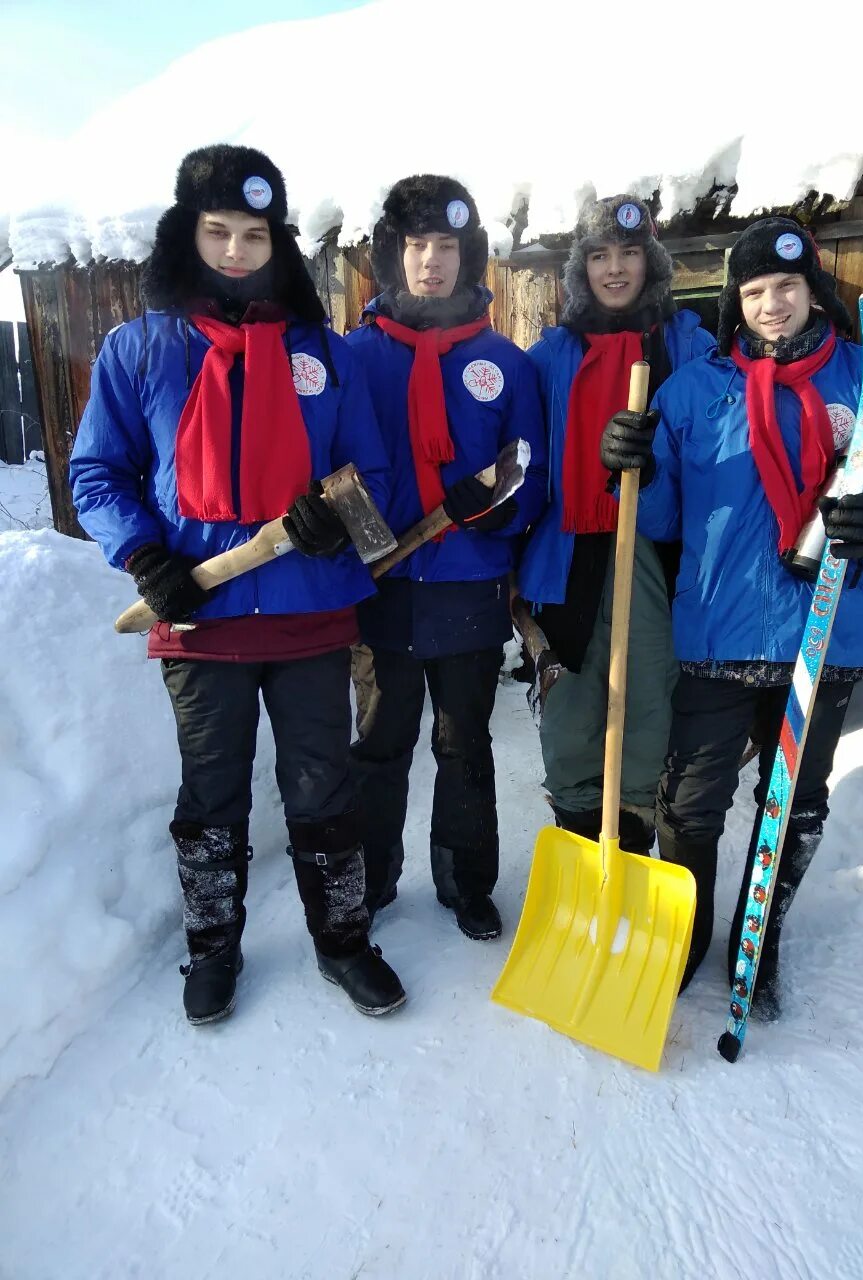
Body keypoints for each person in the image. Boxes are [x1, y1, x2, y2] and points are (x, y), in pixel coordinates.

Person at [70, 144, 405, 1025]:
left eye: (253, 235)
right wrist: (145, 556)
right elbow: (99, 474)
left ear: (277, 244)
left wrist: (337, 515)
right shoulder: (139, 349)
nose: (233, 251)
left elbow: (371, 473)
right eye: (216, 231)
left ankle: (343, 940)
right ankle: (212, 949)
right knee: (210, 795)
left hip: (309, 615)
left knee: (322, 787)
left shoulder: (322, 355)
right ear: (187, 234)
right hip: (201, 616)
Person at [607, 215, 863, 1016]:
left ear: (814, 292)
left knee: (794, 803)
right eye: (756, 290)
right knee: (689, 802)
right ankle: (687, 930)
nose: (772, 305)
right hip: (716, 634)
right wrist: (627, 462)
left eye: (787, 288)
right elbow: (658, 517)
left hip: (824, 632)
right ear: (736, 301)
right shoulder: (695, 389)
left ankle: (757, 941)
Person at [345, 174, 547, 941]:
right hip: (382, 587)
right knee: (382, 743)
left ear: (471, 258)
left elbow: (530, 473)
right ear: (393, 256)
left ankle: (467, 882)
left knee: (463, 743)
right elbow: (330, 467)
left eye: (448, 247)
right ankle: (371, 880)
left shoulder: (506, 363)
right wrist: (369, 546)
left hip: (467, 584)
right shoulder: (354, 357)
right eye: (417, 246)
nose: (432, 261)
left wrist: (491, 509)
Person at [516, 195, 715, 848]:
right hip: (568, 549)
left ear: (650, 262)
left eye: (630, 253)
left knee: (646, 701)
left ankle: (629, 839)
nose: (616, 268)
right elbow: (526, 465)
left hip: (652, 550)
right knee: (571, 705)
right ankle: (577, 835)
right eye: (600, 255)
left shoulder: (690, 346)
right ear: (582, 268)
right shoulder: (550, 356)